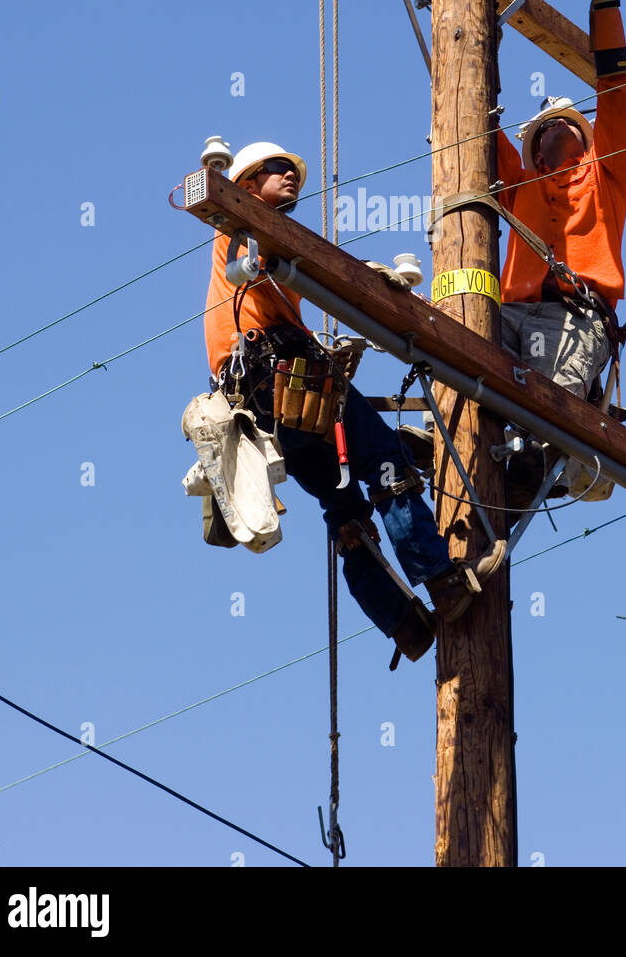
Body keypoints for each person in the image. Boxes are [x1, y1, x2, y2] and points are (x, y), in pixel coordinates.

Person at [198, 141, 505, 666]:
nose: (292, 177)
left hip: (264, 404)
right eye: (279, 170)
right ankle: (442, 580)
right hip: (287, 372)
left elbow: (295, 276)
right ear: (247, 184)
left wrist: (360, 277)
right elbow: (259, 265)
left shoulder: (260, 242)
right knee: (386, 461)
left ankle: (403, 624)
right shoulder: (245, 226)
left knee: (343, 509)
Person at [497, 0, 626, 503]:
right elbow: (478, 138)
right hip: (509, 316)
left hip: (576, 317)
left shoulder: (607, 175)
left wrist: (605, 4)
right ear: (533, 152)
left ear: (585, 138)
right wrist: (482, 41)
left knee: (547, 412)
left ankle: (544, 461)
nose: (555, 133)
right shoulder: (521, 187)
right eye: (545, 131)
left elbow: (619, 98)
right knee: (460, 359)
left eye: (566, 126)